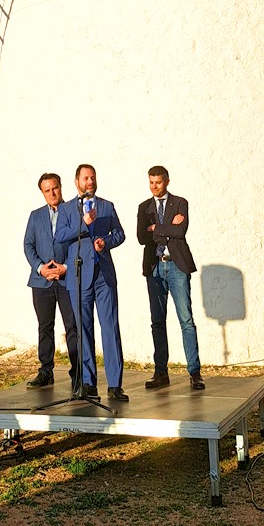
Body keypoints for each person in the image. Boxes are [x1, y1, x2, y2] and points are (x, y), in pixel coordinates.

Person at [55, 163, 127, 402]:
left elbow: (120, 233)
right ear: (77, 181)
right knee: (83, 330)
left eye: (93, 177)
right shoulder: (65, 210)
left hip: (104, 276)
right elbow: (60, 236)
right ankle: (88, 383)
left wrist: (106, 242)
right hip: (78, 275)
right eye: (86, 178)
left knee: (110, 328)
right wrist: (84, 224)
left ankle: (115, 385)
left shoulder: (107, 206)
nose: (90, 181)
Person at [137, 165, 205, 391]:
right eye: (151, 182)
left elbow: (181, 231)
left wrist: (156, 227)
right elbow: (141, 236)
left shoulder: (180, 203)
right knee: (157, 321)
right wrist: (167, 227)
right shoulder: (144, 207)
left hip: (177, 267)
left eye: (158, 182)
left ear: (166, 181)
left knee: (186, 320)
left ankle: (194, 372)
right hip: (155, 267)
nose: (154, 186)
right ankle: (160, 373)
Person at [23, 172, 78, 388]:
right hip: (41, 281)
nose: (52, 193)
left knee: (72, 326)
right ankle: (46, 371)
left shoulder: (73, 212)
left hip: (68, 279)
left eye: (55, 188)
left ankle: (78, 374)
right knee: (45, 326)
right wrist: (41, 268)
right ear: (42, 193)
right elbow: (28, 245)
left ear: (61, 187)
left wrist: (65, 268)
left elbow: (78, 243)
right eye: (47, 190)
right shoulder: (35, 216)